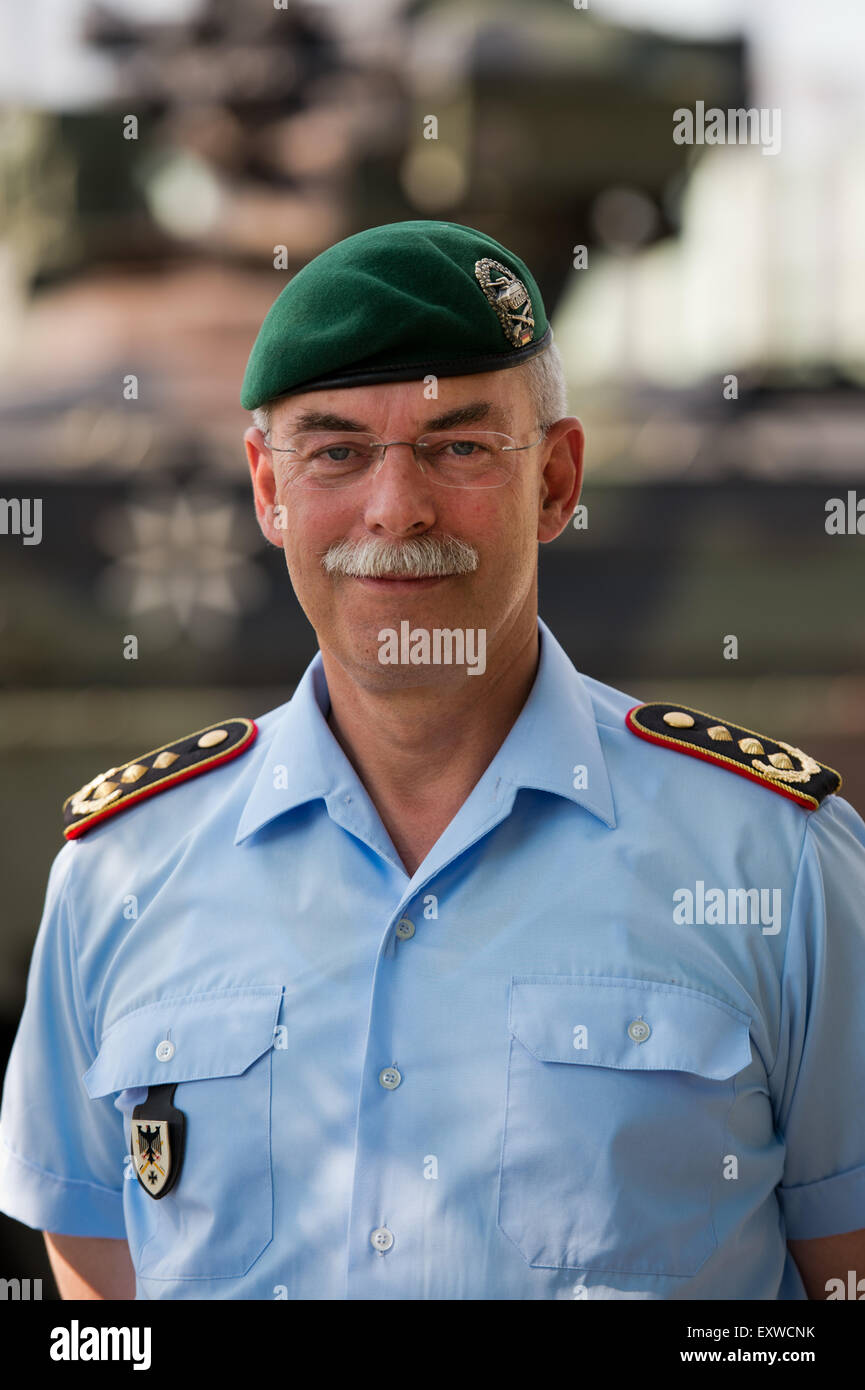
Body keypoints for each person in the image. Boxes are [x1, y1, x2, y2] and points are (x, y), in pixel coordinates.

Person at [1, 221, 864, 1302]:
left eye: (458, 446)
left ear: (555, 480)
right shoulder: (119, 878)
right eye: (336, 452)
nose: (395, 509)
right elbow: (102, 1291)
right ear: (268, 490)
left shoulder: (774, 866)